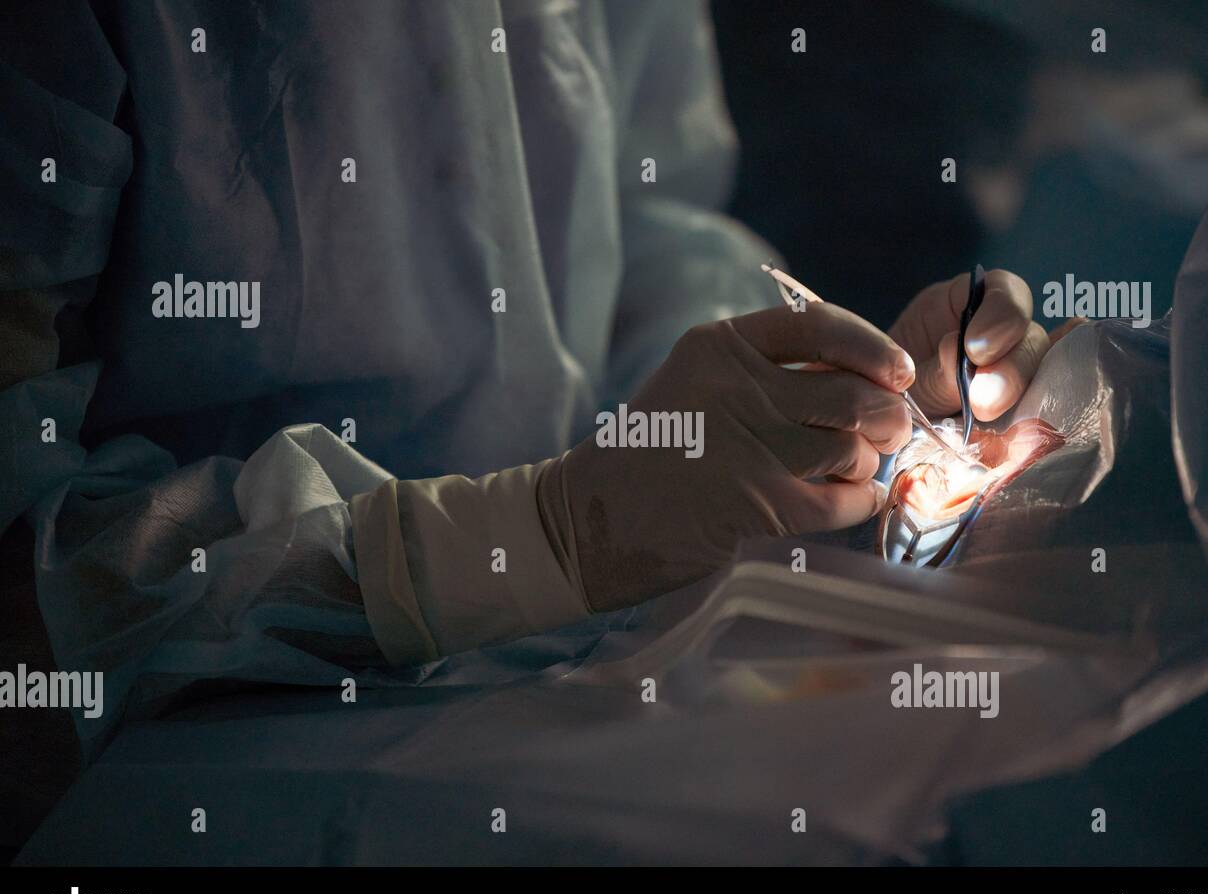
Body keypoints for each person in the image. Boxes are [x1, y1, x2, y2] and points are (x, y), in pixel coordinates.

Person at [0, 1, 1055, 676]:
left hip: (563, 681)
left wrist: (806, 404)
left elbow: (640, 223)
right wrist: (543, 535)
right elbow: (36, 607)